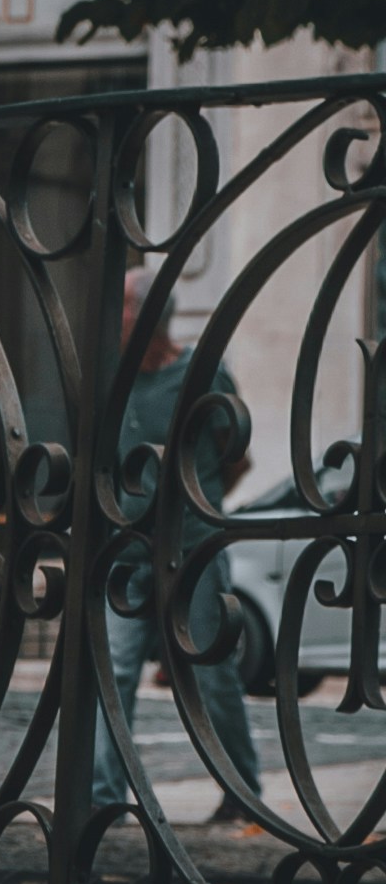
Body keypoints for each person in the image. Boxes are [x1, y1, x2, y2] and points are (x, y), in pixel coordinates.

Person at [93, 273, 265, 826]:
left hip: (193, 553)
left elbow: (237, 460)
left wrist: (197, 515)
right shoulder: (111, 381)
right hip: (126, 555)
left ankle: (241, 793)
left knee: (212, 672)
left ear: (147, 317)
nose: (108, 316)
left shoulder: (202, 374)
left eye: (118, 305)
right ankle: (103, 802)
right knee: (111, 672)